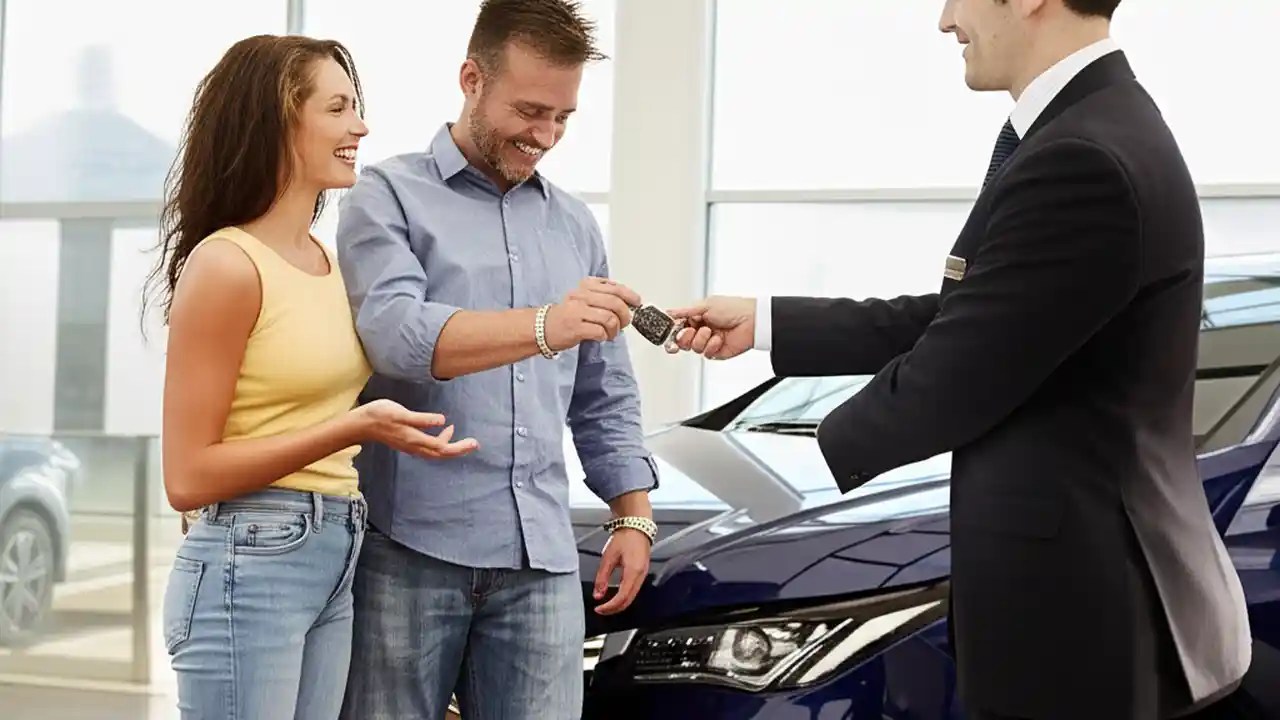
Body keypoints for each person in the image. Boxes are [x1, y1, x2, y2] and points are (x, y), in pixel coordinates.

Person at [669, 1, 1252, 718]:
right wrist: (767, 323)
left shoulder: (1083, 157)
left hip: (1078, 616)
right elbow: (973, 317)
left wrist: (767, 477)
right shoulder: (1097, 126)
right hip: (1092, 595)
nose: (947, 20)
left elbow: (951, 379)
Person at [334, 1, 659, 718]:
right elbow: (396, 334)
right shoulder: (385, 196)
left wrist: (631, 516)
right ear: (471, 78)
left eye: (563, 118)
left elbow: (603, 390)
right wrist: (547, 324)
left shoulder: (573, 222)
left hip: (539, 559)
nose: (545, 135)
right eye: (531, 110)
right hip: (406, 551)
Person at [145, 34, 477, 719]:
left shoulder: (326, 263)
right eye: (338, 108)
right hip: (253, 554)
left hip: (335, 549)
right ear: (279, 120)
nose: (361, 127)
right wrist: (352, 428)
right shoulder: (227, 267)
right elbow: (187, 476)